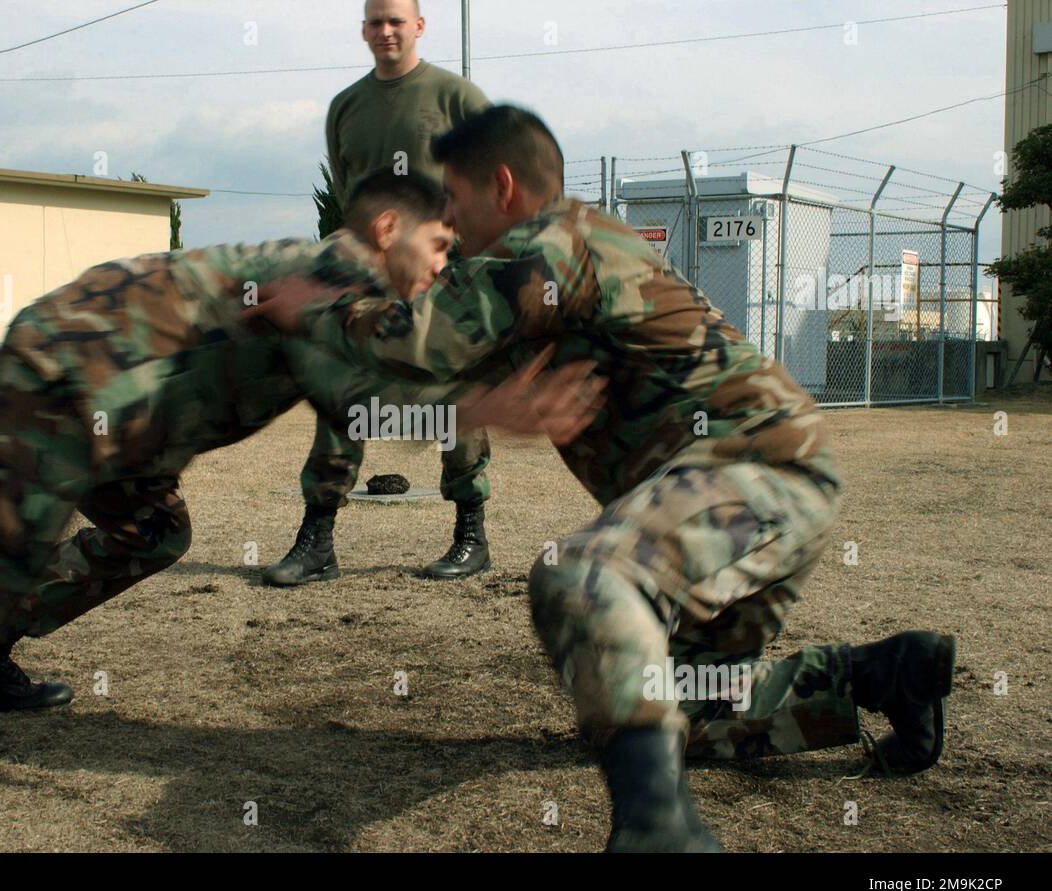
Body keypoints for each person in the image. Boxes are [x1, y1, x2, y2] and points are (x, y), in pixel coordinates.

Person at [248, 106, 957, 852]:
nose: (448, 221)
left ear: (504, 185)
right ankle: (884, 675)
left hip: (754, 467)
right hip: (757, 485)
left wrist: (323, 310)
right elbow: (431, 387)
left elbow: (424, 339)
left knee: (582, 578)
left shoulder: (554, 242)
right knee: (684, 712)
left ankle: (661, 834)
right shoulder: (540, 276)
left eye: (455, 199)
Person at [0, 170, 605, 712]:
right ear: (390, 230)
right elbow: (322, 334)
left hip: (124, 424)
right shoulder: (341, 269)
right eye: (439, 244)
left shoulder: (340, 283)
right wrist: (492, 409)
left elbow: (355, 386)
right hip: (73, 386)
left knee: (154, 532)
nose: (442, 265)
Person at [265, 0, 495, 587]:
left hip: (444, 273)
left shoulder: (457, 99)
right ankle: (317, 541)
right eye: (375, 21)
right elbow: (348, 196)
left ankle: (472, 536)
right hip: (365, 278)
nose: (386, 30)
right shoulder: (346, 107)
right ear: (364, 31)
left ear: (419, 26)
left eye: (397, 20)